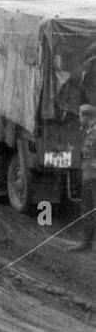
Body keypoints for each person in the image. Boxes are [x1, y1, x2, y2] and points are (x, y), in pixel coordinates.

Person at [69, 104, 96, 251]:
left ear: (87, 117)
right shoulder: (90, 132)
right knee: (87, 210)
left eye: (80, 115)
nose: (79, 119)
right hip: (88, 177)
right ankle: (86, 244)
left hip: (94, 178)